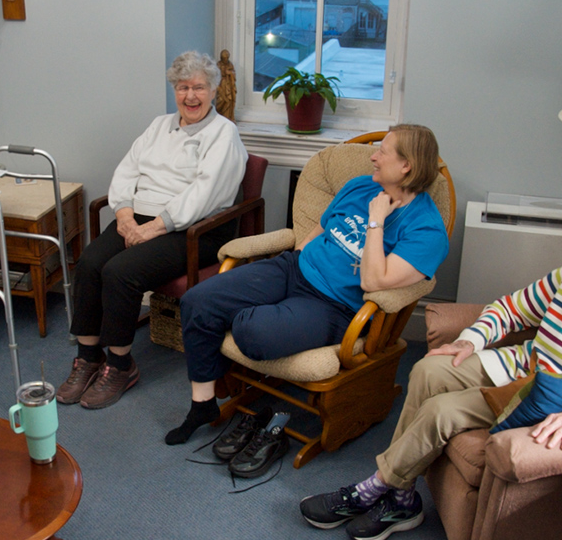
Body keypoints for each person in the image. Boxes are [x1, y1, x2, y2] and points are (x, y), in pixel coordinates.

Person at [300, 195, 562, 540]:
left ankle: (375, 486)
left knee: (439, 411)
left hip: (540, 398)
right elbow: (511, 309)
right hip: (517, 367)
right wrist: (472, 340)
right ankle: (401, 497)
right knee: (430, 369)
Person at [165, 124, 450, 446]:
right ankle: (201, 405)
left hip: (334, 305)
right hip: (292, 270)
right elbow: (321, 228)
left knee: (252, 332)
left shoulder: (427, 231)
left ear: (406, 165)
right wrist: (299, 256)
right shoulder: (358, 186)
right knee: (197, 300)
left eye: (382, 152)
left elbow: (373, 281)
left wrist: (376, 221)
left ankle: (257, 318)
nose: (373, 157)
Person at [56, 51, 248, 410]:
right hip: (140, 218)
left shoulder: (224, 134)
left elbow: (205, 195)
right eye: (183, 87)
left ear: (214, 91)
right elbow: (127, 171)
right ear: (174, 90)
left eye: (199, 88)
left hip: (194, 229)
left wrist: (157, 227)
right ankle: (88, 357)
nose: (191, 96)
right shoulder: (159, 125)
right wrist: (125, 215)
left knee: (121, 272)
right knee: (89, 261)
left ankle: (120, 364)